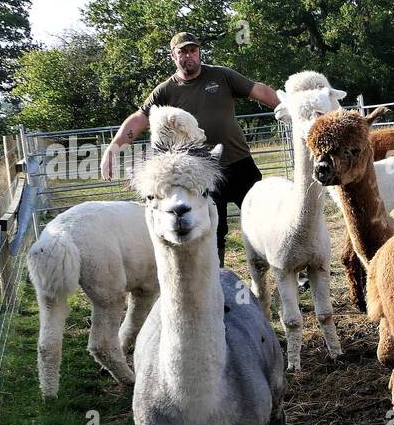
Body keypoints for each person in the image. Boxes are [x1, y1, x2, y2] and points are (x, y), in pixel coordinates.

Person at [101, 32, 281, 260]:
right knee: (213, 228)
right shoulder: (166, 90)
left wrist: (290, 109)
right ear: (173, 56)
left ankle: (288, 266)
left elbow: (259, 90)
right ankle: (216, 276)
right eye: (183, 51)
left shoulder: (221, 75)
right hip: (200, 173)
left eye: (193, 50)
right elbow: (139, 119)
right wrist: (113, 148)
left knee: (264, 216)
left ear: (199, 52)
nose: (189, 56)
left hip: (239, 162)